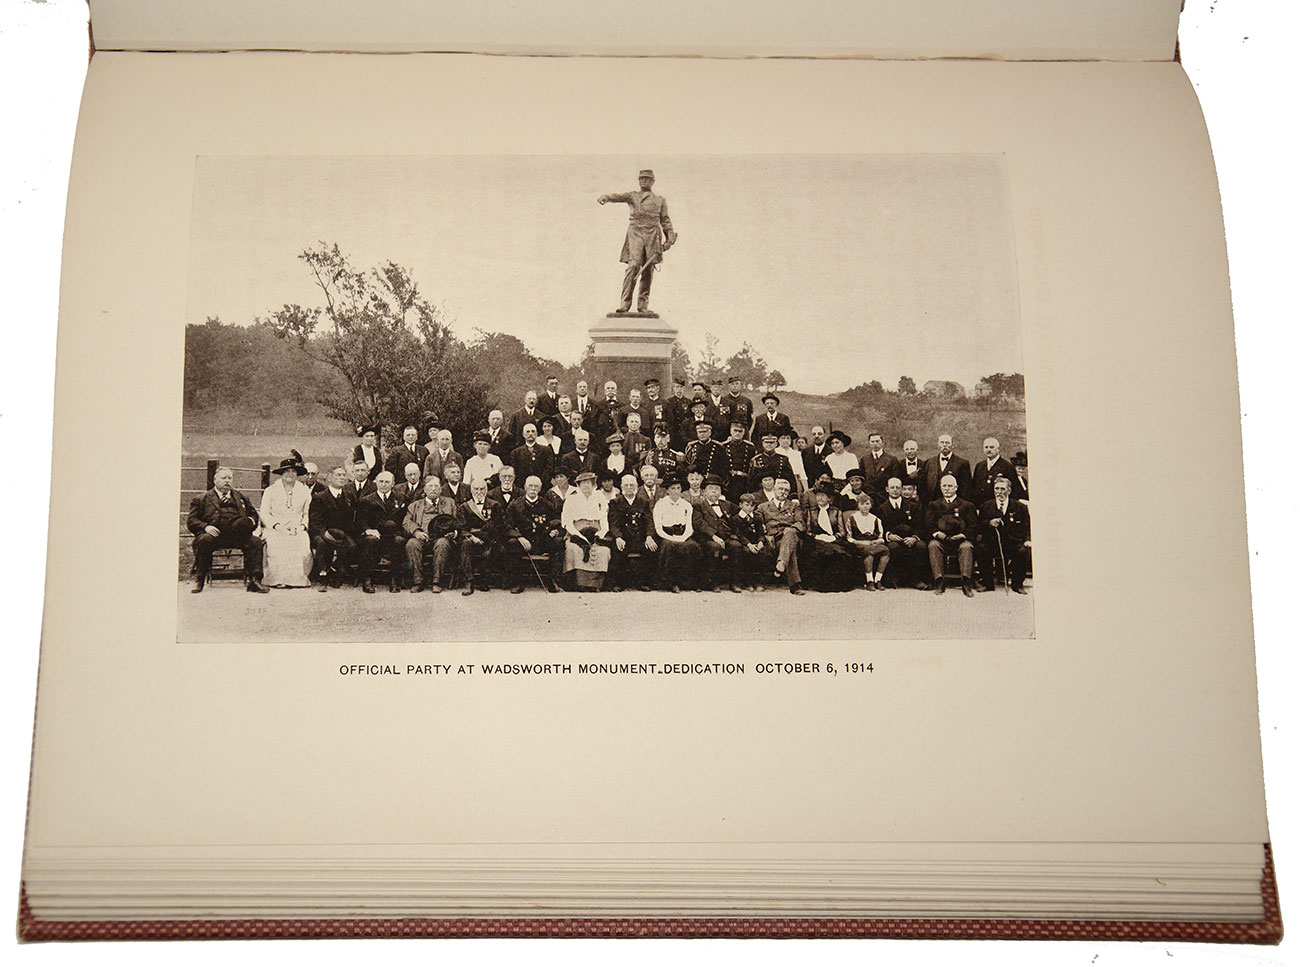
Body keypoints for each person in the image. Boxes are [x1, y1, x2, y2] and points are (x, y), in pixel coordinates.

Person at [598, 168, 677, 314]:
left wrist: (670, 238)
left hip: (652, 235)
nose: (643, 181)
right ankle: (625, 303)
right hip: (635, 233)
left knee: (648, 270)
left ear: (652, 181)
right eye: (641, 178)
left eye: (647, 179)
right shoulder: (632, 196)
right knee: (633, 266)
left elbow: (665, 220)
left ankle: (642, 305)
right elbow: (618, 197)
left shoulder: (660, 200)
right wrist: (607, 197)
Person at [186, 466, 267, 593]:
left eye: (230, 478)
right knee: (204, 540)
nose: (227, 481)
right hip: (214, 536)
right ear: (215, 480)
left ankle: (255, 580)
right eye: (224, 478)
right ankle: (199, 579)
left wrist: (250, 521)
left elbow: (253, 515)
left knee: (255, 542)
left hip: (238, 535)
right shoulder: (201, 499)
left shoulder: (241, 497)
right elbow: (192, 521)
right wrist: (205, 527)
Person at [503, 475, 564, 593]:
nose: (533, 488)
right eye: (530, 486)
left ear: (540, 489)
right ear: (525, 487)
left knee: (558, 542)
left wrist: (555, 531)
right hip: (523, 542)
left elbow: (556, 521)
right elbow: (507, 525)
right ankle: (517, 582)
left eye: (536, 486)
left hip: (542, 541)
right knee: (511, 543)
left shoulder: (547, 505)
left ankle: (553, 582)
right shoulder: (515, 505)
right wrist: (519, 537)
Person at [260, 457, 313, 588]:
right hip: (275, 528)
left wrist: (301, 526)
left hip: (296, 528)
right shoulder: (271, 490)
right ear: (281, 473)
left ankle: (297, 580)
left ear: (297, 474)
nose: (290, 474)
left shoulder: (304, 491)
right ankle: (277, 579)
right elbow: (265, 513)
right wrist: (277, 526)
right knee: (276, 544)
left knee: (301, 542)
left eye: (293, 471)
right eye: (287, 471)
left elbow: (307, 513)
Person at [976, 476, 1032, 593]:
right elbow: (979, 526)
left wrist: (1027, 540)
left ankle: (1017, 584)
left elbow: (1026, 526)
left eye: (1002, 489)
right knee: (981, 548)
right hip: (992, 543)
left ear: (1009, 491)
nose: (999, 492)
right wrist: (989, 523)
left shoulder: (1020, 507)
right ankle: (988, 583)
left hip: (1012, 543)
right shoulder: (986, 506)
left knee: (1024, 550)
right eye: (996, 489)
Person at [403, 476, 459, 593]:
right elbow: (407, 522)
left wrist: (454, 533)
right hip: (422, 537)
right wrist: (417, 532)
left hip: (442, 538)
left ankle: (437, 581)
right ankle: (418, 581)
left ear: (441, 489)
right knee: (411, 543)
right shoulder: (414, 505)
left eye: (436, 486)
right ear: (424, 489)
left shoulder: (450, 503)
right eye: (430, 486)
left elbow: (458, 521)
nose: (433, 489)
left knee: (442, 543)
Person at [927, 473, 978, 597]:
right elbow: (929, 525)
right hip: (941, 540)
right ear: (940, 487)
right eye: (944, 486)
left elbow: (973, 526)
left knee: (967, 547)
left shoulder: (967, 505)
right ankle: (939, 581)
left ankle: (966, 582)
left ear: (956, 488)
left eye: (950, 486)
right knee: (933, 545)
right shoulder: (934, 505)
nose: (947, 489)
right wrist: (937, 533)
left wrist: (963, 535)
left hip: (961, 540)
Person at [355, 471, 407, 593]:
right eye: (381, 481)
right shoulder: (367, 500)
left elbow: (404, 519)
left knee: (399, 541)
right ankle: (367, 579)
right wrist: (368, 530)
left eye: (387, 482)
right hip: (374, 535)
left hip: (393, 534)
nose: (383, 484)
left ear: (393, 484)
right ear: (376, 483)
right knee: (371, 541)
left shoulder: (401, 498)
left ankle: (394, 579)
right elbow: (360, 520)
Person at [562, 470, 611, 590]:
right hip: (576, 531)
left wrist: (601, 532)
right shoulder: (572, 499)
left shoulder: (600, 497)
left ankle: (595, 584)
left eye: (588, 483)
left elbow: (604, 519)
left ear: (593, 484)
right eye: (583, 483)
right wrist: (577, 534)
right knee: (574, 549)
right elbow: (567, 521)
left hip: (596, 530)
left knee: (603, 550)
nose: (586, 485)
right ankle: (580, 584)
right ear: (578, 485)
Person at [308, 466, 356, 591]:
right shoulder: (319, 497)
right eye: (338, 475)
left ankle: (334, 568)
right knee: (322, 544)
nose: (342, 478)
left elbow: (351, 519)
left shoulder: (349, 496)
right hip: (322, 532)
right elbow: (315, 522)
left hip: (341, 532)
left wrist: (346, 534)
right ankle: (323, 576)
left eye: (344, 475)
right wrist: (326, 534)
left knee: (352, 546)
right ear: (329, 478)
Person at [607, 473, 657, 591]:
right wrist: (618, 537)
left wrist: (649, 536)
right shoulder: (615, 502)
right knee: (617, 549)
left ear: (636, 487)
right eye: (626, 485)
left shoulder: (644, 502)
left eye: (631, 485)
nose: (629, 488)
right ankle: (619, 583)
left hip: (640, 537)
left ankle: (644, 582)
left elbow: (649, 521)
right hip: (624, 537)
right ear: (621, 487)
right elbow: (613, 523)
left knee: (652, 548)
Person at [877, 476, 929, 590]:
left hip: (910, 538)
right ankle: (895, 578)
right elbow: (881, 527)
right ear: (887, 489)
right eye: (892, 487)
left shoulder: (913, 506)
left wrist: (914, 537)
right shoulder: (882, 508)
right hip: (893, 539)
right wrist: (889, 535)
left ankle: (916, 579)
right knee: (893, 547)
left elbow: (920, 525)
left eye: (898, 487)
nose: (895, 490)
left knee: (921, 546)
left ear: (901, 489)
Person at [652, 475, 701, 592]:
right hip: (666, 534)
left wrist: (683, 537)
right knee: (670, 547)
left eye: (678, 488)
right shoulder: (660, 504)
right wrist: (671, 537)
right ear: (668, 490)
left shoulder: (686, 505)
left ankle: (689, 582)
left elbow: (689, 526)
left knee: (692, 546)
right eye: (673, 488)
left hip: (683, 534)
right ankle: (672, 583)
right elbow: (658, 528)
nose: (676, 491)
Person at [757, 478, 806, 594]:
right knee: (790, 549)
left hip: (788, 536)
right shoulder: (763, 507)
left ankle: (782, 563)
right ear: (774, 489)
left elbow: (801, 523)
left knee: (790, 535)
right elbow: (758, 524)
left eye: (786, 490)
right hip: (772, 539)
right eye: (780, 489)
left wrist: (791, 529)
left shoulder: (794, 506)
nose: (783, 492)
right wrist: (765, 536)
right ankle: (795, 585)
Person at [803, 482, 854, 592]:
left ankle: (838, 584)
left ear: (829, 498)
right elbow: (807, 531)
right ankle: (823, 585)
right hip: (816, 541)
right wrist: (817, 536)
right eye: (818, 495)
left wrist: (833, 537)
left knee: (840, 553)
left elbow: (842, 531)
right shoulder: (811, 512)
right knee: (823, 552)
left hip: (834, 540)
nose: (820, 498)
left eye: (823, 495)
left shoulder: (836, 511)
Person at [457, 477, 501, 595]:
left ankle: (484, 579)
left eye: (482, 489)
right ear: (471, 491)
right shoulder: (464, 507)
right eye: (476, 489)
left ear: (486, 490)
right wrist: (472, 537)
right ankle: (469, 581)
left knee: (495, 548)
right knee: (466, 544)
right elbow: (461, 527)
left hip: (489, 538)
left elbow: (498, 525)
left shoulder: (495, 505)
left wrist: (486, 538)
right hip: (471, 539)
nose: (479, 492)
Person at [693, 475, 736, 592]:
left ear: (721, 492)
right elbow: (699, 524)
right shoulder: (698, 505)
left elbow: (741, 513)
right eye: (711, 488)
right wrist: (713, 536)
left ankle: (734, 582)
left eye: (717, 489)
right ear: (704, 492)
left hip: (726, 537)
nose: (714, 491)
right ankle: (712, 582)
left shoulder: (727, 504)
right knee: (714, 547)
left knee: (736, 546)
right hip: (707, 538)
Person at [845, 492, 889, 590]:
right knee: (868, 553)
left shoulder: (876, 519)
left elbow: (881, 536)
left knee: (885, 550)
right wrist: (861, 542)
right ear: (858, 505)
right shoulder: (852, 518)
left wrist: (878, 541)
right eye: (862, 504)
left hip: (873, 543)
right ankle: (869, 581)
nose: (865, 506)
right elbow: (849, 538)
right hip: (859, 544)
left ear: (871, 505)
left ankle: (878, 580)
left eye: (867, 504)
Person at [728, 493, 769, 592]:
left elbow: (760, 532)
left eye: (752, 506)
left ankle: (759, 582)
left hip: (755, 542)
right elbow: (738, 534)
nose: (749, 508)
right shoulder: (735, 518)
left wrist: (760, 542)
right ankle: (746, 582)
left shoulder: (757, 518)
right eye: (747, 505)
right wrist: (749, 545)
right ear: (741, 505)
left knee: (763, 552)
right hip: (744, 543)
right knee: (746, 553)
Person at [971, 436, 1022, 506]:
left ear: (998, 449)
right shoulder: (979, 466)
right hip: (981, 506)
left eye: (991, 447)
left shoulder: (1007, 466)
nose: (988, 450)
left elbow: (1015, 490)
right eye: (986, 447)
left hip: (998, 506)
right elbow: (974, 488)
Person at [922, 433, 971, 504]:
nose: (944, 445)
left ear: (952, 445)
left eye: (947, 443)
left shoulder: (962, 463)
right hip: (932, 504)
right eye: (942, 442)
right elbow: (924, 486)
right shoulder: (929, 462)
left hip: (953, 504)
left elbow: (966, 489)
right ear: (938, 445)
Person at [721, 420, 757, 503]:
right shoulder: (723, 446)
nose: (737, 433)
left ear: (744, 432)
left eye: (740, 431)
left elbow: (752, 467)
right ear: (730, 431)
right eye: (735, 430)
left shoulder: (750, 447)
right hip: (729, 481)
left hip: (744, 481)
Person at [509, 422, 554, 486]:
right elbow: (515, 471)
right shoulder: (516, 452)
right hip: (523, 486)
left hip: (542, 485)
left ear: (536, 434)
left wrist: (539, 482)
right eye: (527, 432)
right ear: (523, 434)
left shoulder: (546, 450)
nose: (530, 434)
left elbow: (549, 469)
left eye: (533, 431)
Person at [859, 432, 901, 498]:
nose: (875, 444)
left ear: (882, 443)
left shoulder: (891, 459)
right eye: (872, 442)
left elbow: (894, 478)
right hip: (868, 495)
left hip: (885, 495)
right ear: (869, 443)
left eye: (877, 441)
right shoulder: (864, 459)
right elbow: (862, 478)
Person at [775, 431, 808, 496]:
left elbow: (801, 472)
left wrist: (806, 489)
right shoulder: (775, 452)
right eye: (783, 438)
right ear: (778, 440)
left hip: (795, 481)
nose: (786, 440)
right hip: (779, 481)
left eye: (788, 438)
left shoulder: (796, 454)